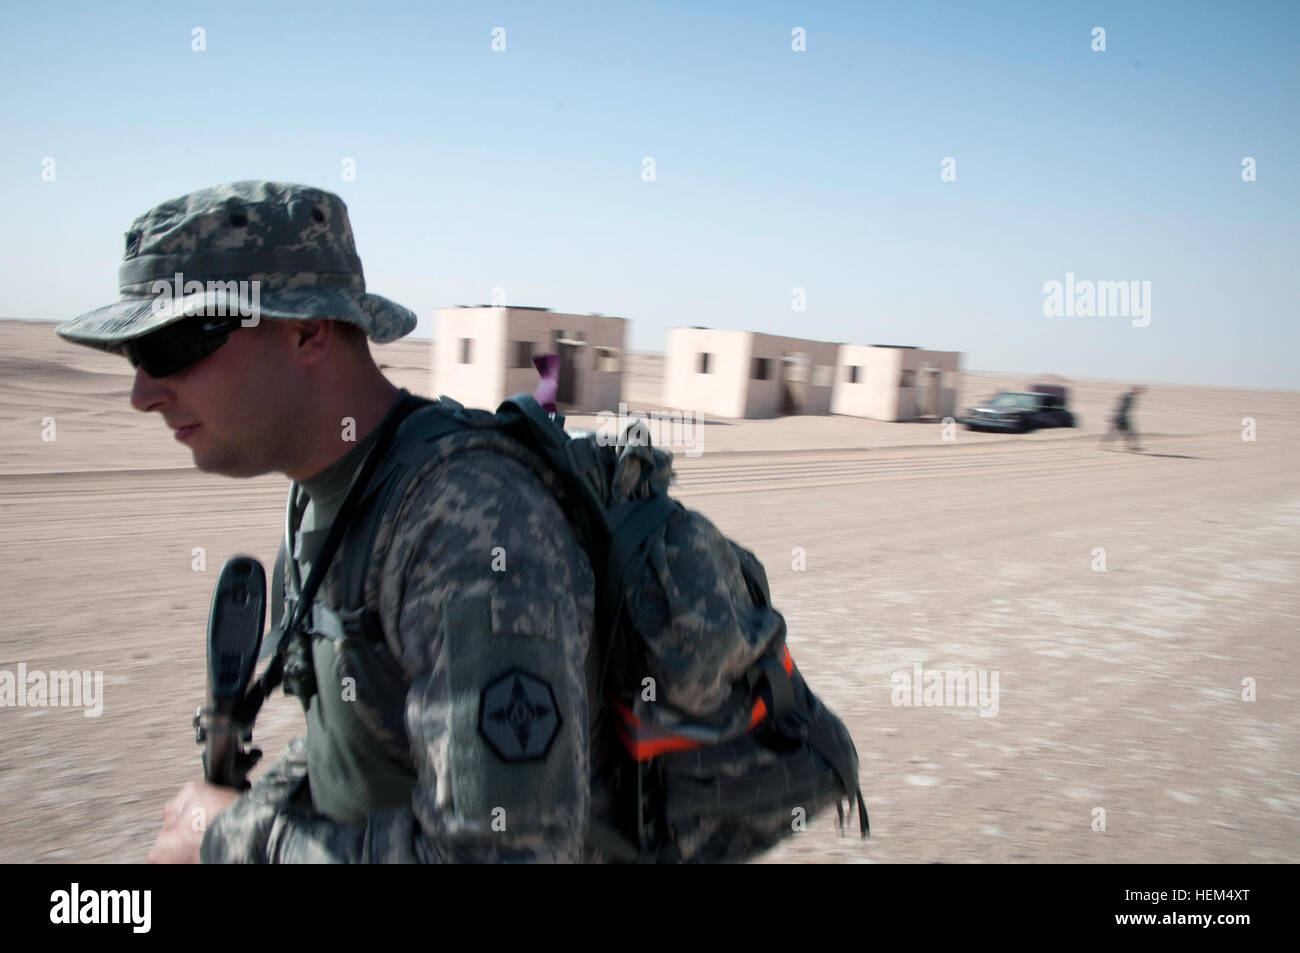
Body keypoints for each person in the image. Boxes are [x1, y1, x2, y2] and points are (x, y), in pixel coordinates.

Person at [55, 181, 596, 863]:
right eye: (134, 354)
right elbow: (355, 741)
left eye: (172, 346)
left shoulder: (470, 523)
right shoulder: (325, 501)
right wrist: (245, 807)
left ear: (307, 331)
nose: (141, 393)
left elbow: (506, 855)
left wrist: (230, 840)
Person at [1100, 385, 1145, 451]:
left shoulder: (1130, 396)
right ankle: (1104, 446)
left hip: (1122, 417)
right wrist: (1115, 417)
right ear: (1133, 389)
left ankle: (1127, 446)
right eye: (1138, 390)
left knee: (1121, 433)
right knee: (1116, 432)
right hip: (1121, 418)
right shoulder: (1128, 397)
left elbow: (1119, 406)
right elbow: (1120, 407)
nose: (1139, 392)